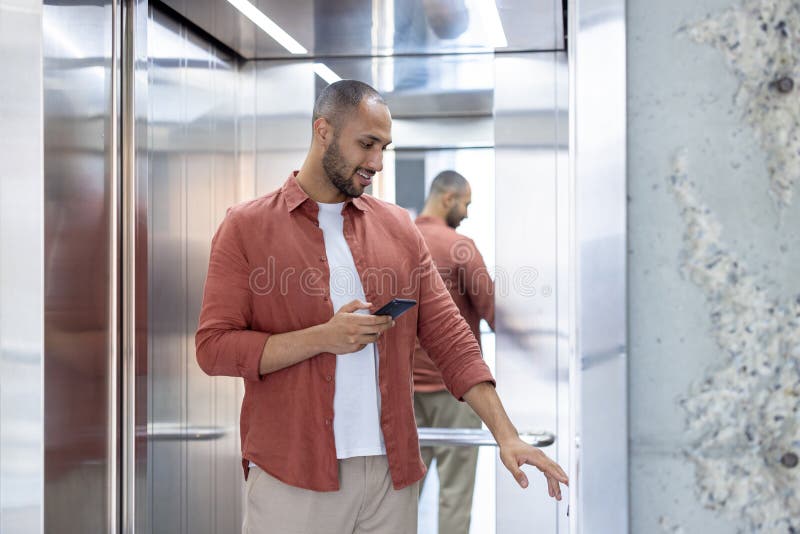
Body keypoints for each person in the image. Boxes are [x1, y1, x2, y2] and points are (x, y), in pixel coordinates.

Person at [195, 79, 567, 534]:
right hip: (292, 476)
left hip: (392, 479)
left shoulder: (398, 227)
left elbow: (452, 338)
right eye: (367, 144)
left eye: (384, 148)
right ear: (323, 131)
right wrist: (321, 339)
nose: (376, 163)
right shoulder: (246, 226)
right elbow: (213, 348)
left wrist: (506, 434)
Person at [413, 170, 494, 534]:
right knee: (455, 496)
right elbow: (492, 309)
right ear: (448, 198)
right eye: (466, 203)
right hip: (454, 393)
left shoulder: (400, 239)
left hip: (403, 392)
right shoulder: (459, 246)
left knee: (402, 493)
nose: (466, 213)